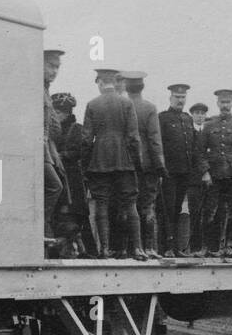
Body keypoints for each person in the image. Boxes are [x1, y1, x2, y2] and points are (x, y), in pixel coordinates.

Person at [81, 68, 142, 259]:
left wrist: (86, 163)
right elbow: (134, 137)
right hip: (123, 159)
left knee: (101, 203)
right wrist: (137, 162)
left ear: (100, 82)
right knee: (130, 203)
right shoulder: (126, 103)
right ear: (115, 82)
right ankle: (138, 248)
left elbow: (86, 139)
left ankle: (104, 249)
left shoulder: (92, 104)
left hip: (99, 161)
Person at [199, 89, 232, 257]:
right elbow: (199, 153)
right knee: (210, 211)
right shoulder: (209, 126)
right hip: (215, 176)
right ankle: (207, 247)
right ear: (217, 104)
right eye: (222, 102)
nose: (225, 106)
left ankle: (228, 246)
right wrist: (205, 172)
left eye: (228, 102)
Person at [121, 71, 165, 258]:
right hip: (147, 166)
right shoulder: (149, 108)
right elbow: (155, 140)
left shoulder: (120, 105)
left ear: (126, 87)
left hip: (125, 165)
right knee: (147, 206)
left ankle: (126, 249)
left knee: (127, 207)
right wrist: (160, 166)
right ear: (142, 87)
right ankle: (149, 248)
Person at [52, 93, 94, 257]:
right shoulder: (53, 130)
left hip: (73, 180)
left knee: (78, 217)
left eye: (60, 112)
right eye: (56, 111)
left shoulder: (77, 129)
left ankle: (88, 251)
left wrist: (60, 156)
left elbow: (80, 151)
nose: (57, 115)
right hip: (59, 178)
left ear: (68, 113)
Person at [158, 83, 195, 257]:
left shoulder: (188, 119)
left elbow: (192, 145)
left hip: (184, 172)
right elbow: (158, 146)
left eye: (183, 97)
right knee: (167, 209)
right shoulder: (163, 118)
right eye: (177, 97)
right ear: (170, 98)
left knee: (178, 208)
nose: (180, 100)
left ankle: (176, 247)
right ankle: (167, 246)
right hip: (169, 172)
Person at [42, 49, 67, 253]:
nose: (55, 70)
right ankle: (39, 227)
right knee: (54, 186)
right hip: (38, 150)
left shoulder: (45, 89)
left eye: (57, 67)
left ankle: (44, 228)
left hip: (46, 150)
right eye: (51, 65)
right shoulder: (36, 88)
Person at [184, 101, 213, 254]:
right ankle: (194, 246)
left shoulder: (209, 132)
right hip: (193, 180)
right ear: (192, 115)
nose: (200, 116)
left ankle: (207, 246)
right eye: (197, 113)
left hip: (209, 180)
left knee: (209, 213)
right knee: (194, 213)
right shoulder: (188, 132)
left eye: (203, 113)